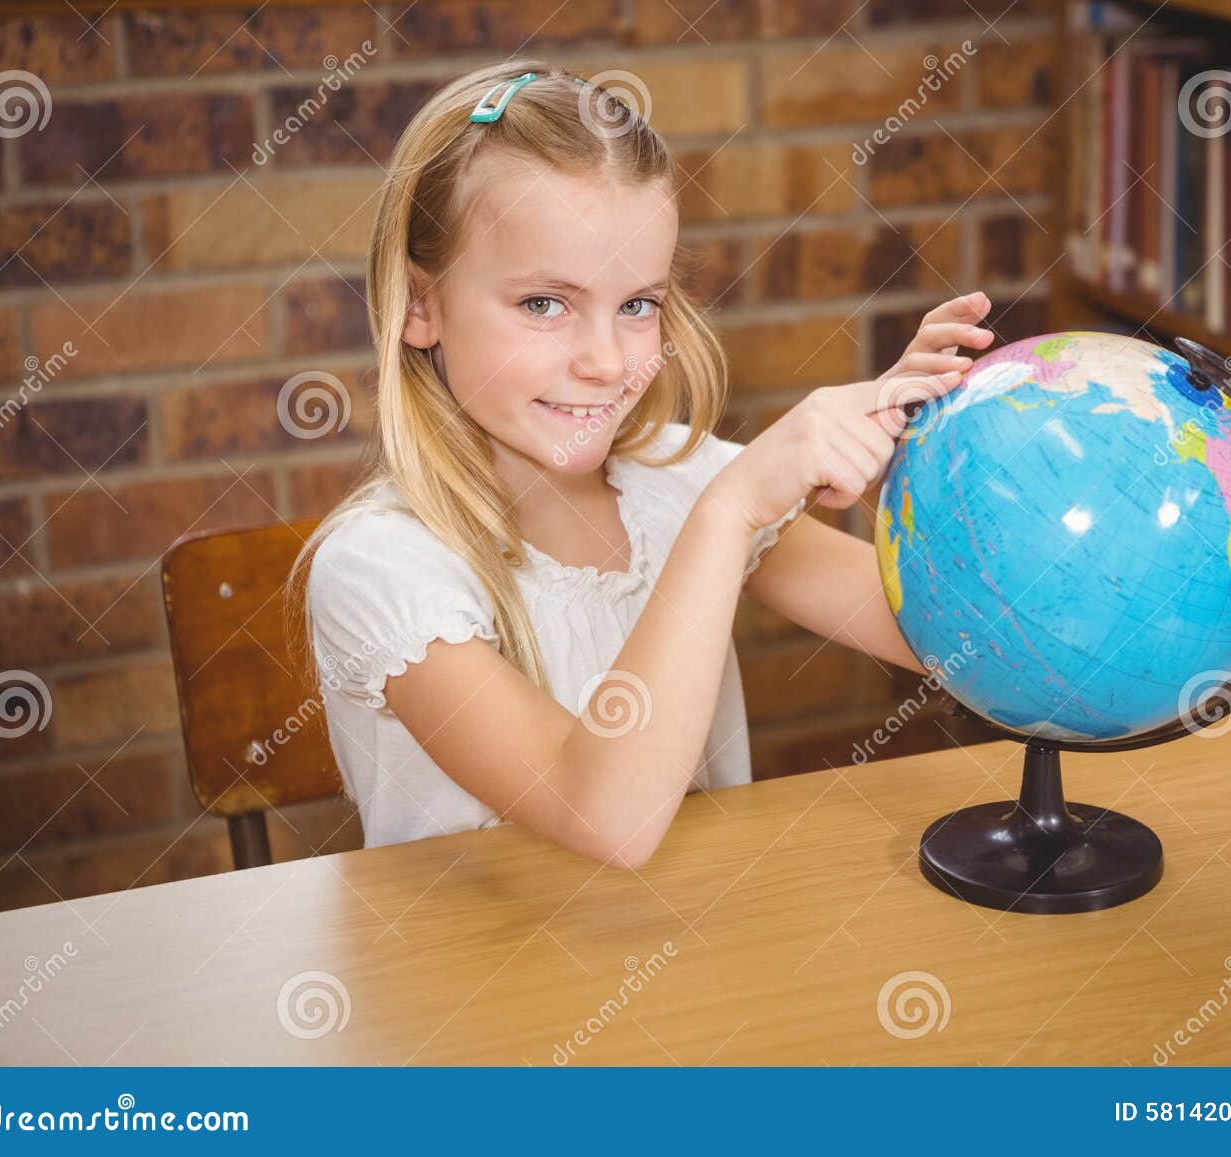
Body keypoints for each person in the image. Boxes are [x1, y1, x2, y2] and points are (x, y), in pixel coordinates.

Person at [292, 61, 994, 867]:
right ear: (420, 304)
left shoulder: (675, 475)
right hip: (483, 982)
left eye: (637, 305)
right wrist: (730, 512)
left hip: (689, 957)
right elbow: (606, 817)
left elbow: (966, 637)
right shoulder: (380, 568)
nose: (602, 360)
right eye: (543, 304)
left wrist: (947, 450)